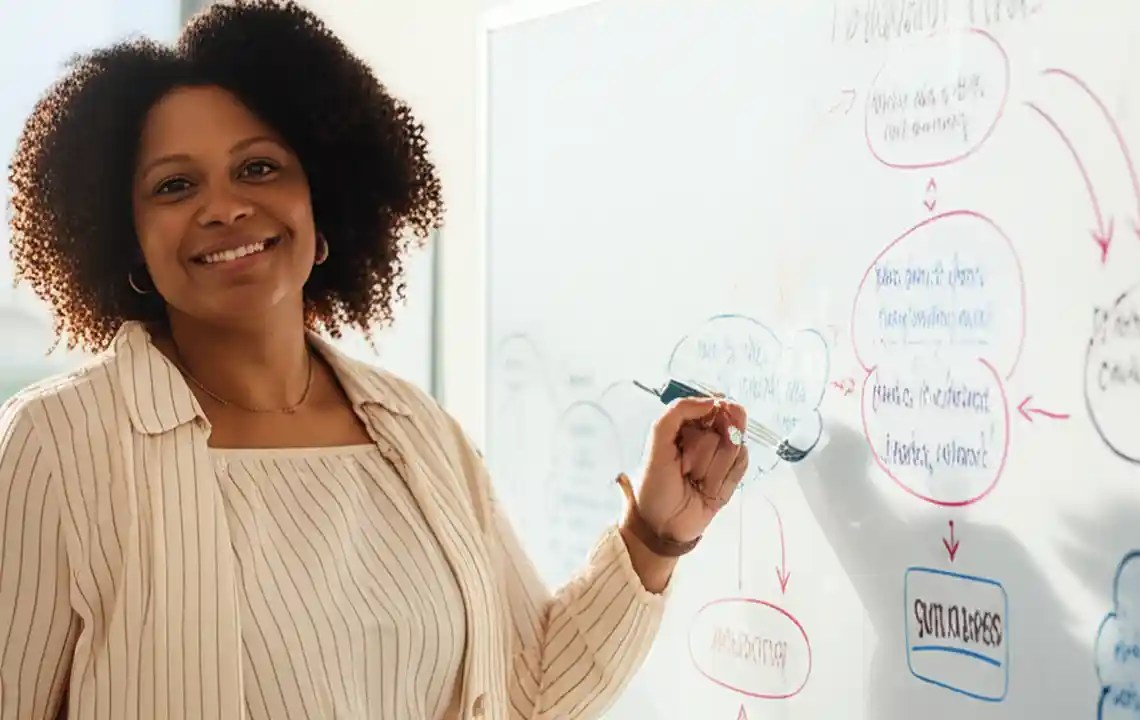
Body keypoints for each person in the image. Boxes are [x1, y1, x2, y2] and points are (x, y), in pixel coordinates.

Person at [0, 2, 750, 718]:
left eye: (259, 168)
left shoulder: (420, 435)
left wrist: (655, 536)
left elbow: (526, 694)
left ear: (323, 198)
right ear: (126, 237)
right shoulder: (58, 446)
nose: (224, 206)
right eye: (175, 185)